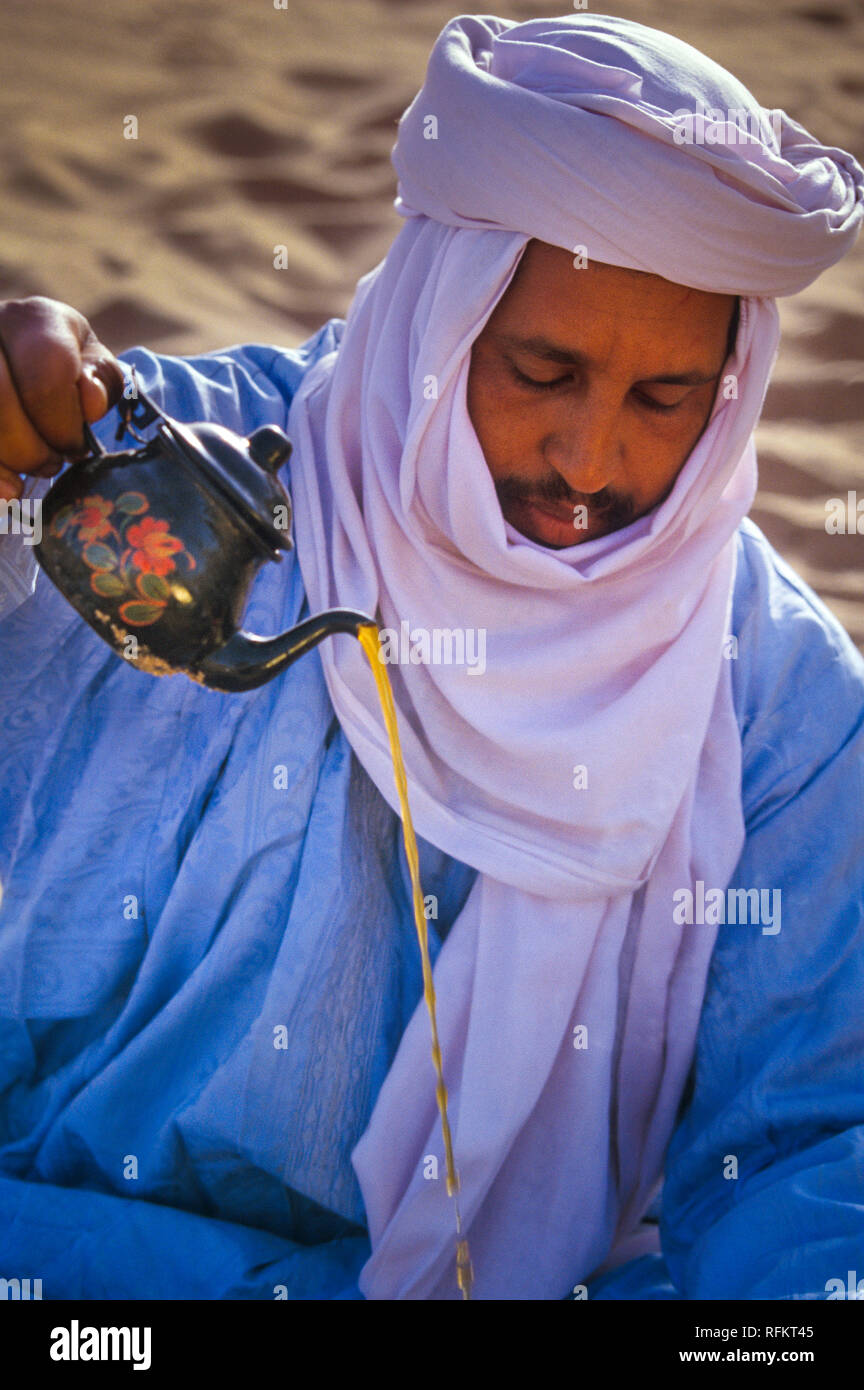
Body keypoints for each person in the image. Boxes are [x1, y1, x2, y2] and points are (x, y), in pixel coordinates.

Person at [0, 12, 862, 1302]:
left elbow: (811, 1152)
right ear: (438, 318)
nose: (590, 460)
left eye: (663, 399)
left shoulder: (781, 701)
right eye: (542, 371)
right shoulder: (160, 486)